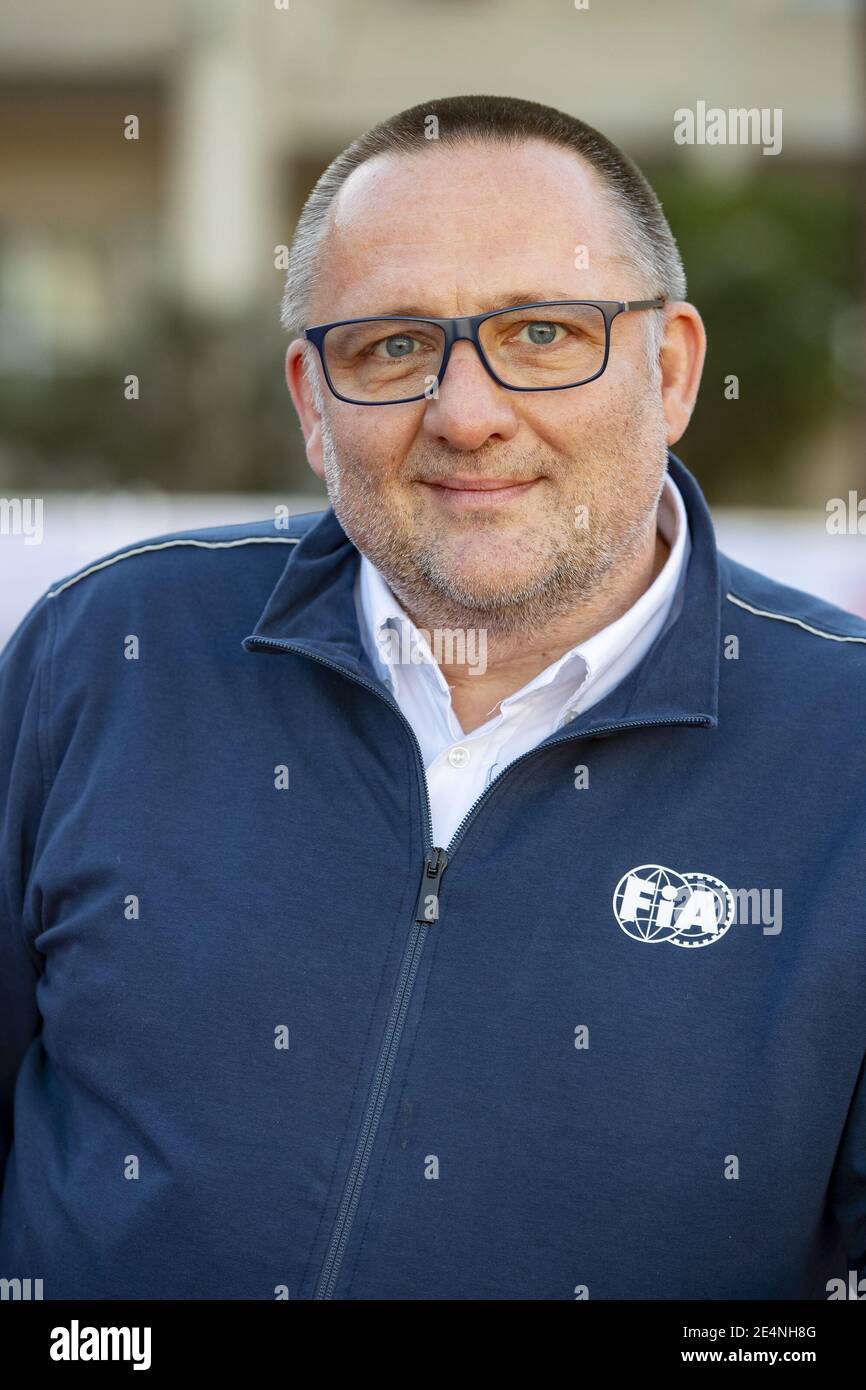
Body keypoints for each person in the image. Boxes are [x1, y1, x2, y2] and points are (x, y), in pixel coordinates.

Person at [1, 94, 864, 1301]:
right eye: (392, 347)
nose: (464, 414)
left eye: (545, 333)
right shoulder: (102, 655)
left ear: (667, 372)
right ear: (311, 400)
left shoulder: (844, 748)